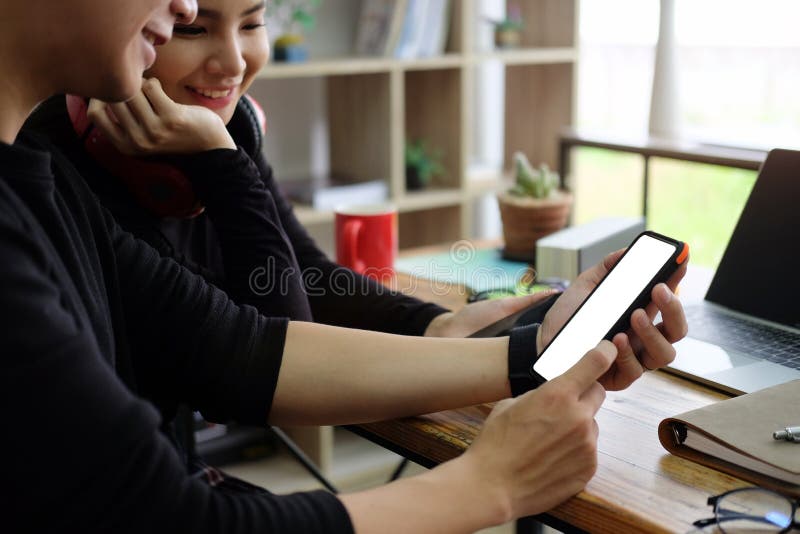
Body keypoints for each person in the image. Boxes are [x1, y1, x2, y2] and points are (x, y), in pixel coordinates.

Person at [0, 1, 689, 533]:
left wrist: (511, 347)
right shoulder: (50, 178)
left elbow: (247, 342)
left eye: (253, 20)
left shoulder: (34, 184)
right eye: (195, 23)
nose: (184, 12)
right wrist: (490, 484)